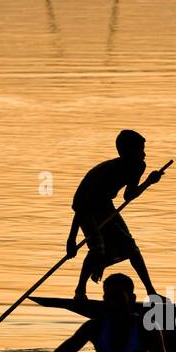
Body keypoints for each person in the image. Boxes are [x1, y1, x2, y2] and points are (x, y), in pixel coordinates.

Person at [66, 129, 167, 301]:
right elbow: (83, 205)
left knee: (131, 248)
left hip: (104, 204)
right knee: (97, 249)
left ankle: (151, 292)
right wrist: (72, 238)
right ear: (127, 152)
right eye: (140, 150)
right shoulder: (108, 170)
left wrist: (149, 182)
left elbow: (129, 195)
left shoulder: (138, 167)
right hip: (86, 206)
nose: (144, 154)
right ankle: (80, 292)